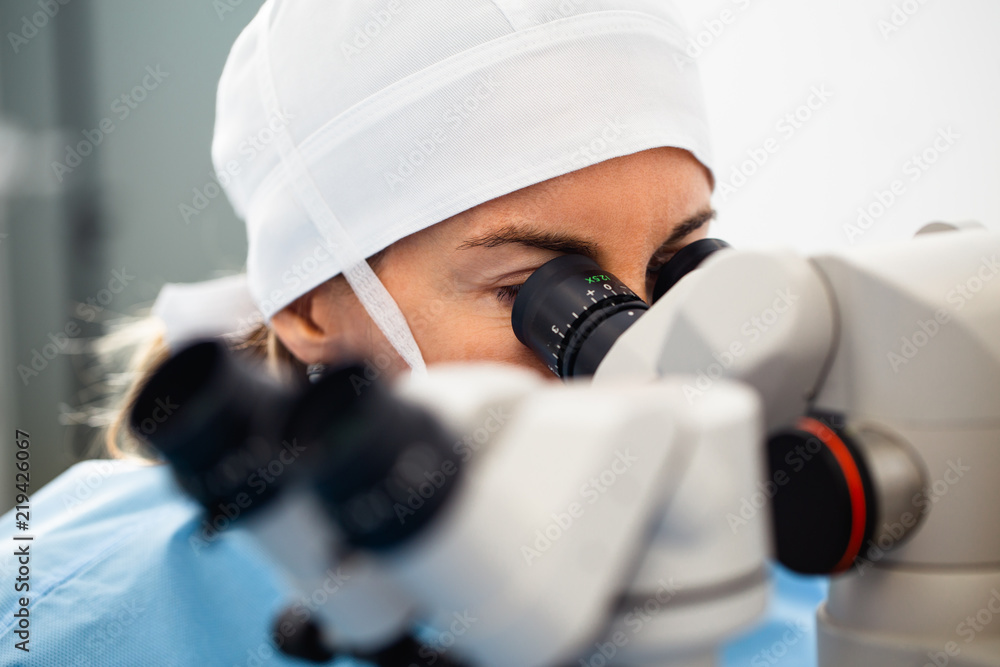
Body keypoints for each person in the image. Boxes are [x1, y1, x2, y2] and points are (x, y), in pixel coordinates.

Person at [0, 0, 827, 664]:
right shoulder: (57, 595)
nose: (641, 352)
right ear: (309, 303)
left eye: (682, 266)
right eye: (535, 293)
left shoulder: (806, 581)